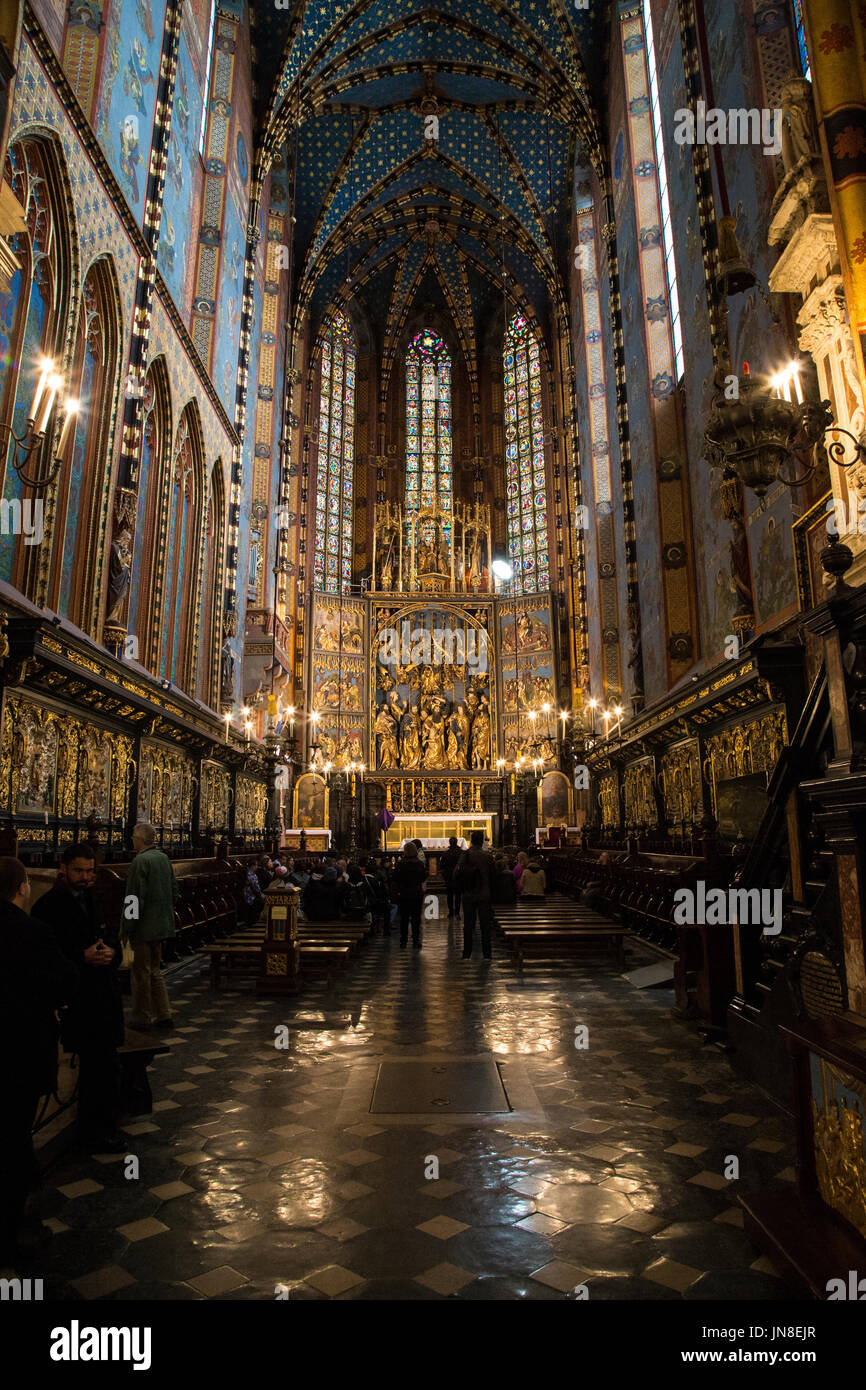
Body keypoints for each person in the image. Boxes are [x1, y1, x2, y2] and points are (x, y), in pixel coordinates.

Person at [0, 857, 78, 1266]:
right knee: (15, 1136)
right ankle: (16, 1231)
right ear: (23, 887)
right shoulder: (33, 932)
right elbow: (62, 983)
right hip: (21, 1051)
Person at [30, 843, 126, 1151]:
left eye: (90, 871)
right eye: (79, 871)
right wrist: (80, 957)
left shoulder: (95, 897)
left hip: (104, 994)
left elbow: (111, 935)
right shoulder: (48, 906)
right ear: (64, 869)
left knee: (105, 1065)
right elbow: (45, 957)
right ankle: (93, 1131)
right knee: (95, 1065)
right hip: (80, 998)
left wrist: (112, 953)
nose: (85, 877)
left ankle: (104, 1124)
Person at [123, 822, 180, 1032]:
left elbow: (134, 897)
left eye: (134, 837)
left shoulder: (141, 861)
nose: (132, 840)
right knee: (155, 971)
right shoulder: (163, 858)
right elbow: (175, 890)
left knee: (140, 973)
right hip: (162, 925)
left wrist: (128, 927)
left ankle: (141, 1016)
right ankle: (164, 1014)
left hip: (143, 928)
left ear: (140, 839)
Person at [455, 829, 494, 959]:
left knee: (468, 925)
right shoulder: (488, 856)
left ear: (471, 841)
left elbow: (456, 873)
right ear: (482, 841)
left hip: (468, 894)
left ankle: (467, 953)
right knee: (485, 926)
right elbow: (494, 875)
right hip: (485, 893)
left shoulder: (465, 855)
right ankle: (487, 953)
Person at [391, 840, 427, 949]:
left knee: (404, 918)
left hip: (404, 893)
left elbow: (395, 878)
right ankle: (416, 941)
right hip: (416, 893)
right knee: (416, 918)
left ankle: (403, 941)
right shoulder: (419, 863)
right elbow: (423, 878)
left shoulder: (400, 864)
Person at [439, 835, 463, 919]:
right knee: (458, 895)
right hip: (459, 876)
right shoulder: (461, 852)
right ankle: (457, 912)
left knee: (449, 895)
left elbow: (441, 866)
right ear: (457, 842)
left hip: (449, 876)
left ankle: (450, 912)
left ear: (449, 843)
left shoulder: (446, 853)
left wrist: (444, 875)